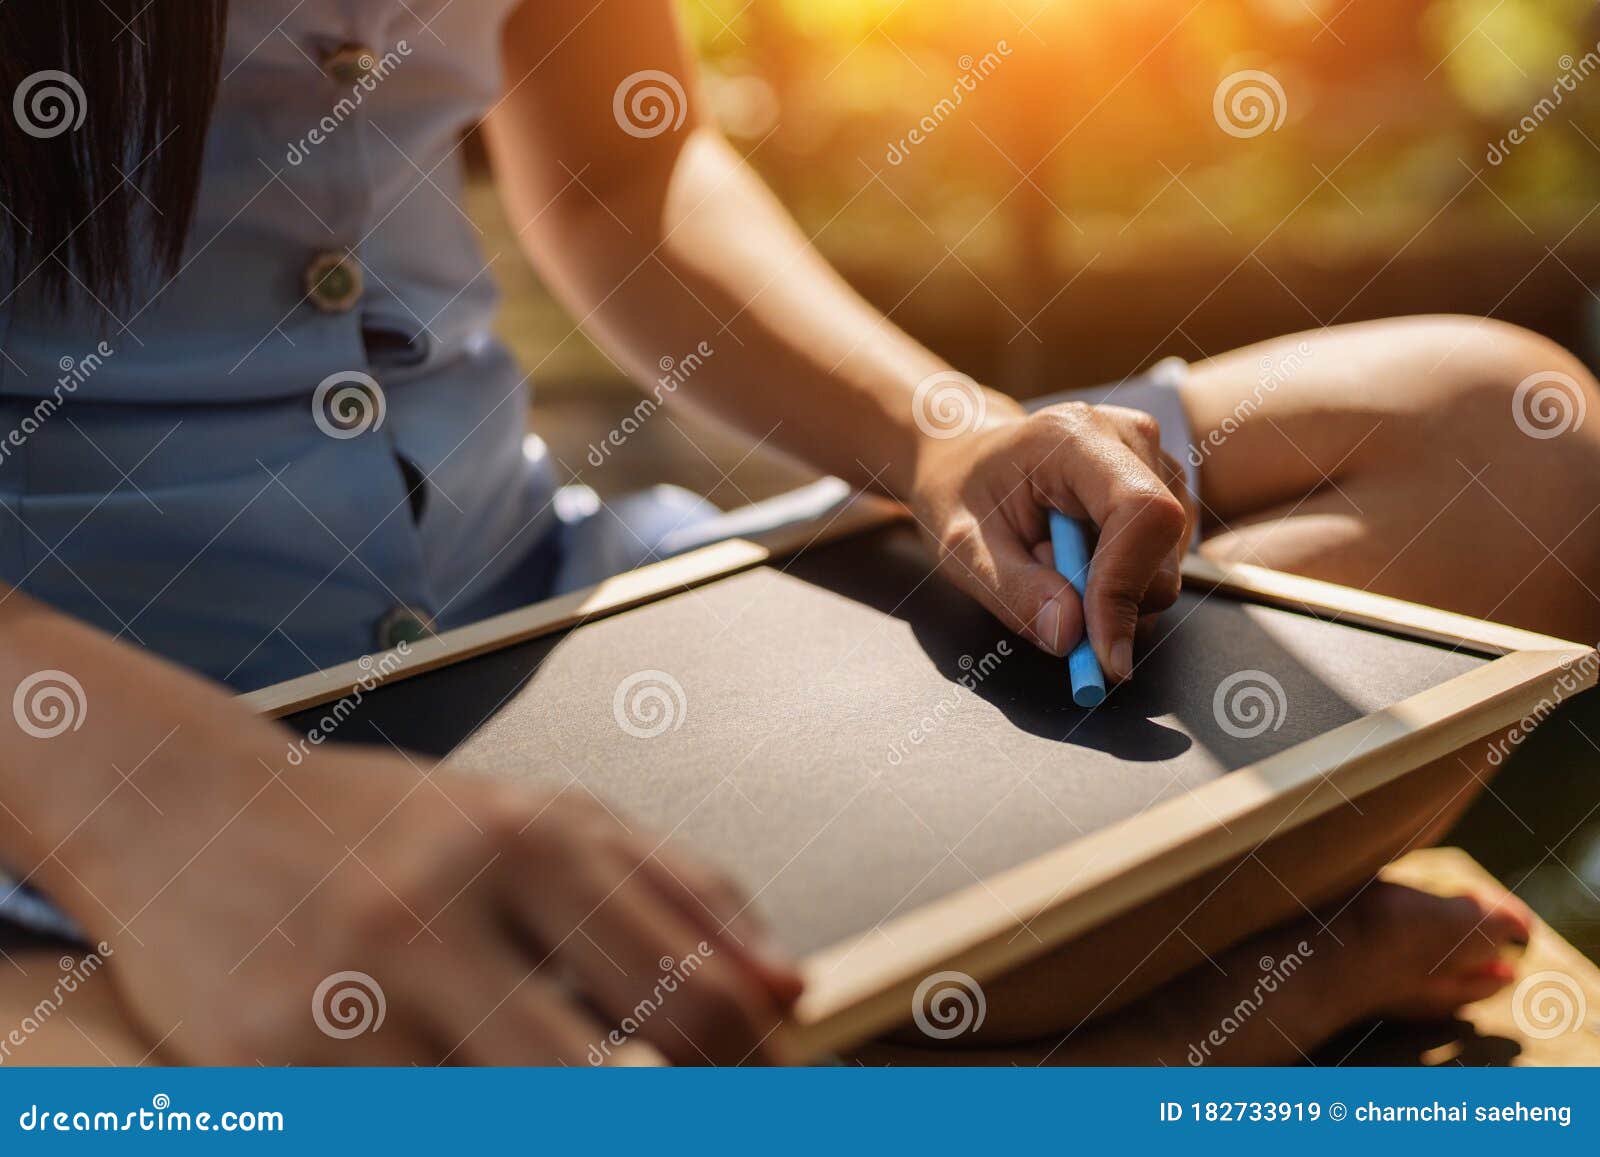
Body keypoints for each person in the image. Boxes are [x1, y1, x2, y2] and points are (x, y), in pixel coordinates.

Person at [0, 0, 1593, 1065]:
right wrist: (169, 809)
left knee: (1503, 440)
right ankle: (1210, 1015)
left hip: (570, 630)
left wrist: (936, 427)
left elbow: (630, 163)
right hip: (68, 827)